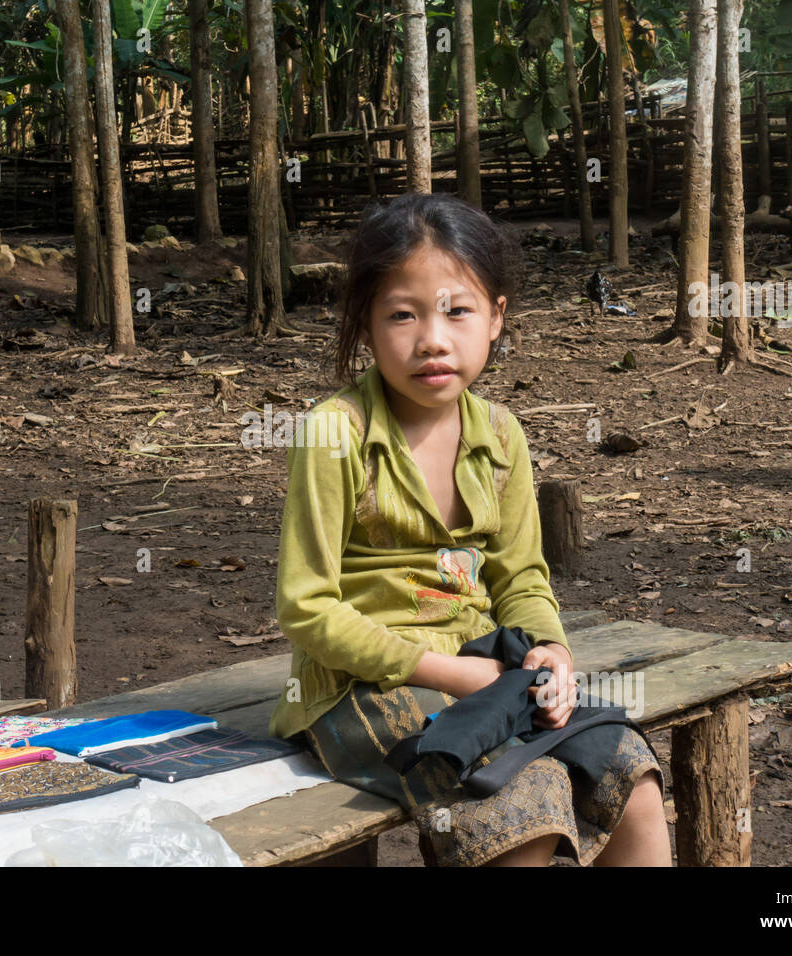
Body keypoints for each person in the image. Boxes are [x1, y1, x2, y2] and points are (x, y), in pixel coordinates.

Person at [268, 193, 672, 867]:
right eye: (403, 314)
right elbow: (307, 607)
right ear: (366, 325)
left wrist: (550, 652)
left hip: (487, 667)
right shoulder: (335, 433)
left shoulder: (502, 436)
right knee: (518, 806)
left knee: (631, 780)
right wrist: (450, 674)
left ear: (496, 318)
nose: (433, 337)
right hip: (357, 686)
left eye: (458, 310)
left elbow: (520, 577)